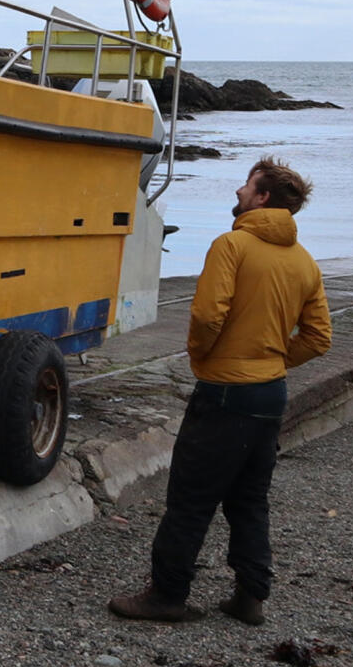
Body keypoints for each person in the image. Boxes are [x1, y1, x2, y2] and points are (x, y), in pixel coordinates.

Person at [110, 155, 331, 626]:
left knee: (190, 498)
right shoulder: (304, 261)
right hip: (270, 393)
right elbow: (318, 337)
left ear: (263, 196)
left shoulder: (232, 245)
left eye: (246, 185)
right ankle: (251, 596)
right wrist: (272, 359)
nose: (238, 192)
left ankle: (167, 595)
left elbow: (209, 316)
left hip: (225, 390)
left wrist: (203, 357)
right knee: (250, 497)